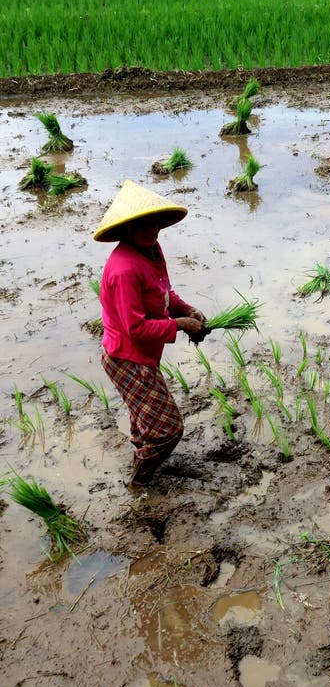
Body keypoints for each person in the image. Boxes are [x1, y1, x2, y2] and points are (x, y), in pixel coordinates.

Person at [93, 180, 207, 486]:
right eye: (141, 225)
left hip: (141, 356)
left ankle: (141, 457)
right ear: (127, 228)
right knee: (168, 430)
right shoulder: (125, 269)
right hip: (127, 358)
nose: (149, 230)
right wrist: (181, 325)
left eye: (153, 223)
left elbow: (163, 291)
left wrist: (185, 309)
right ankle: (139, 482)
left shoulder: (152, 250)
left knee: (146, 421)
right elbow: (136, 328)